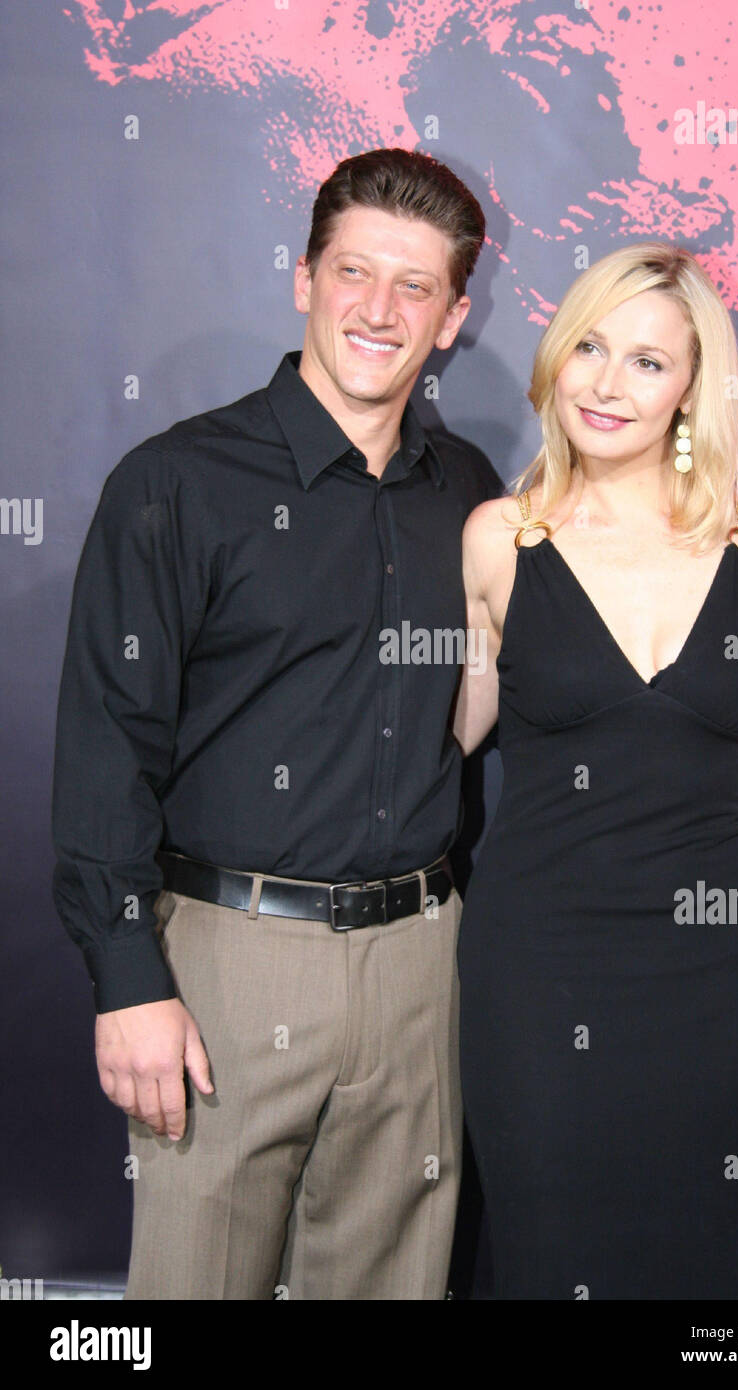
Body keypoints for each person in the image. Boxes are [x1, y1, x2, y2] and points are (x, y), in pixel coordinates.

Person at [51, 148, 505, 1300]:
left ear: (452, 318)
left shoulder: (467, 486)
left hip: (418, 962)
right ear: (303, 277)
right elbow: (107, 743)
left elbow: (488, 701)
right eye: (354, 270)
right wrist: (126, 981)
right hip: (223, 965)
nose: (378, 308)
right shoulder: (175, 483)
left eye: (414, 288)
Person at [453, 241, 738, 1300]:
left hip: (709, 977)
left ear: (689, 388)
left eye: (646, 361)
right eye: (588, 345)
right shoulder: (500, 539)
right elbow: (445, 733)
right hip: (537, 970)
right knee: (547, 1262)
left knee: (698, 1265)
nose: (605, 381)